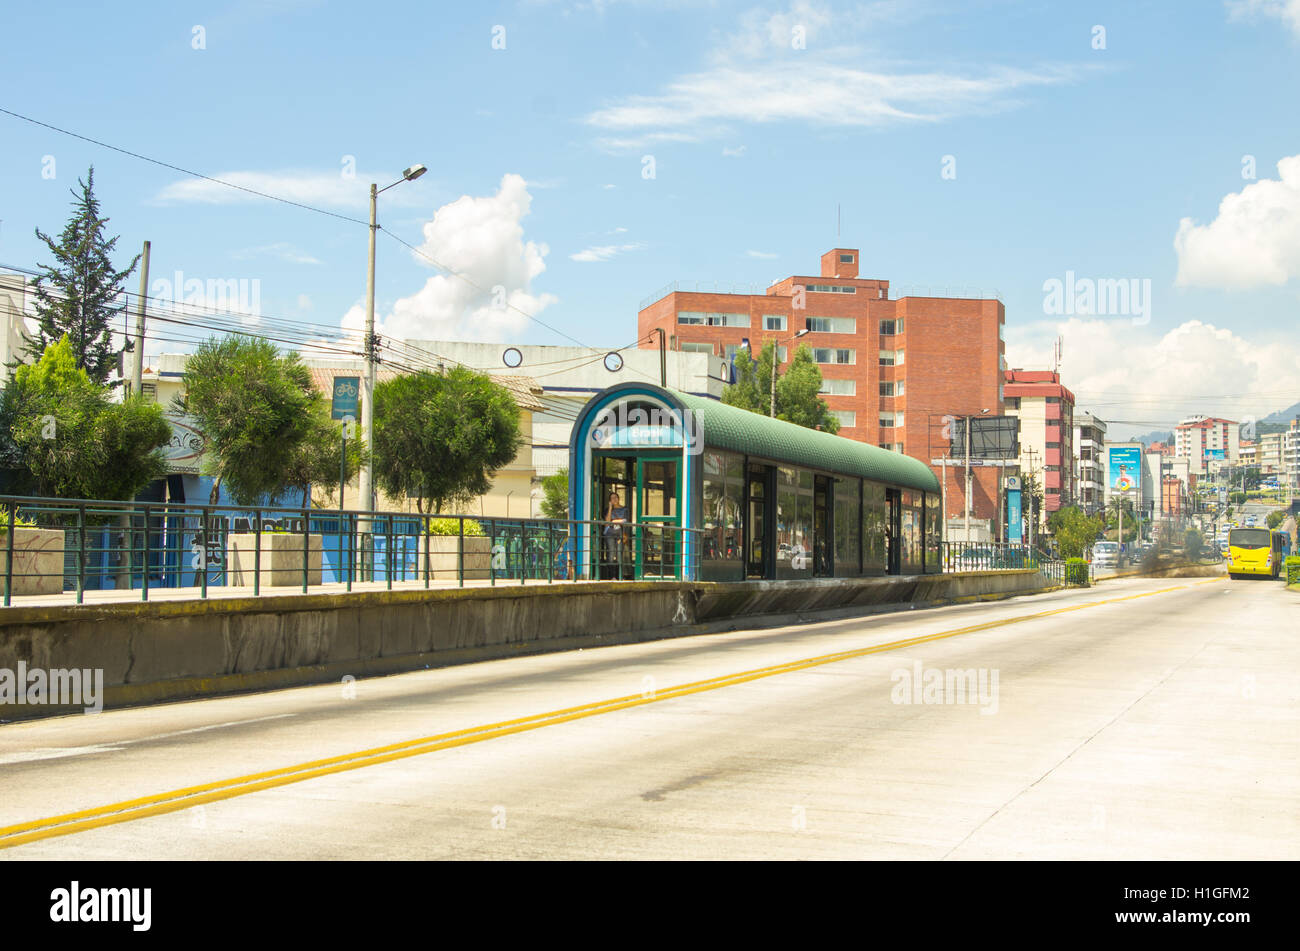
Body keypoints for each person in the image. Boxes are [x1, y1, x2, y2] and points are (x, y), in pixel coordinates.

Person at [603, 491, 630, 577]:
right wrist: (610, 508)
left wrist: (613, 521)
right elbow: (607, 522)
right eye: (612, 498)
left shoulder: (624, 509)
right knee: (611, 554)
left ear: (618, 498)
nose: (614, 499)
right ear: (610, 500)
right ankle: (611, 576)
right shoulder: (607, 510)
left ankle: (620, 576)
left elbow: (625, 521)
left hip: (620, 534)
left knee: (619, 554)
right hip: (610, 534)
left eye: (616, 497)